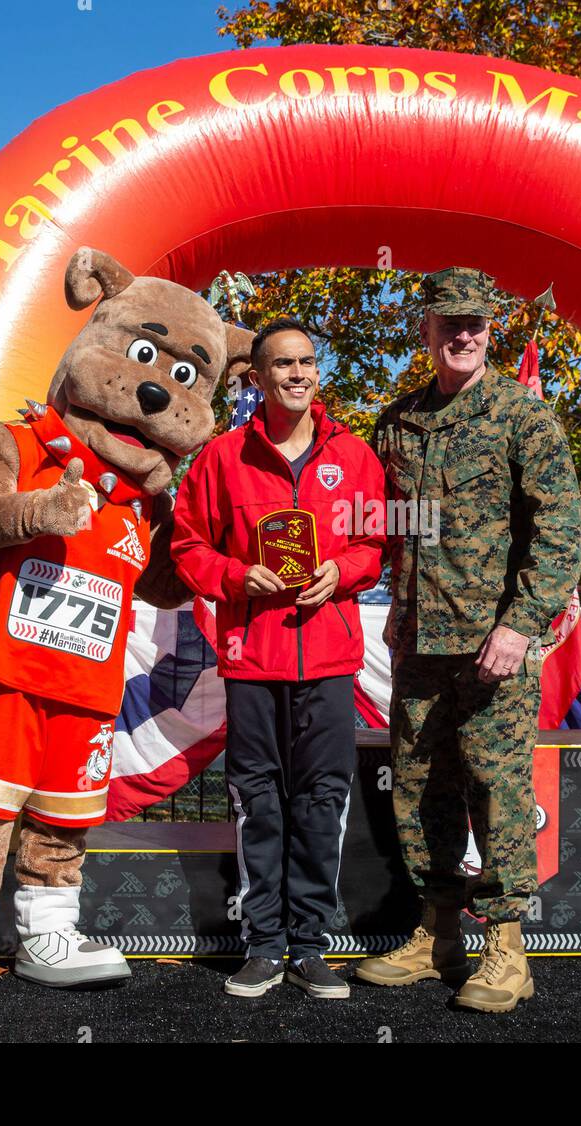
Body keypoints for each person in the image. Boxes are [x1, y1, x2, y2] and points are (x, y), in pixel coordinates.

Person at [358, 267, 581, 1013]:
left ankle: (507, 947)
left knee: (497, 786)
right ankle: (436, 934)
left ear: (490, 331)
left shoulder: (524, 417)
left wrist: (521, 625)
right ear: (425, 330)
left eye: (475, 324)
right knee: (421, 786)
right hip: (420, 641)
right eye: (449, 323)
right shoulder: (396, 422)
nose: (462, 335)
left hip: (495, 645)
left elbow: (559, 530)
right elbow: (381, 521)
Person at [170, 316, 386, 999]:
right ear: (258, 377)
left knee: (322, 800)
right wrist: (238, 577)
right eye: (284, 364)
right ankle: (264, 946)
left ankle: (311, 945)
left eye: (307, 362)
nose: (298, 373)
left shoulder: (354, 456)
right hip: (252, 658)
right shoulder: (221, 458)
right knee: (258, 800)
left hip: (329, 659)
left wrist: (342, 571)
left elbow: (375, 545)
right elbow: (187, 548)